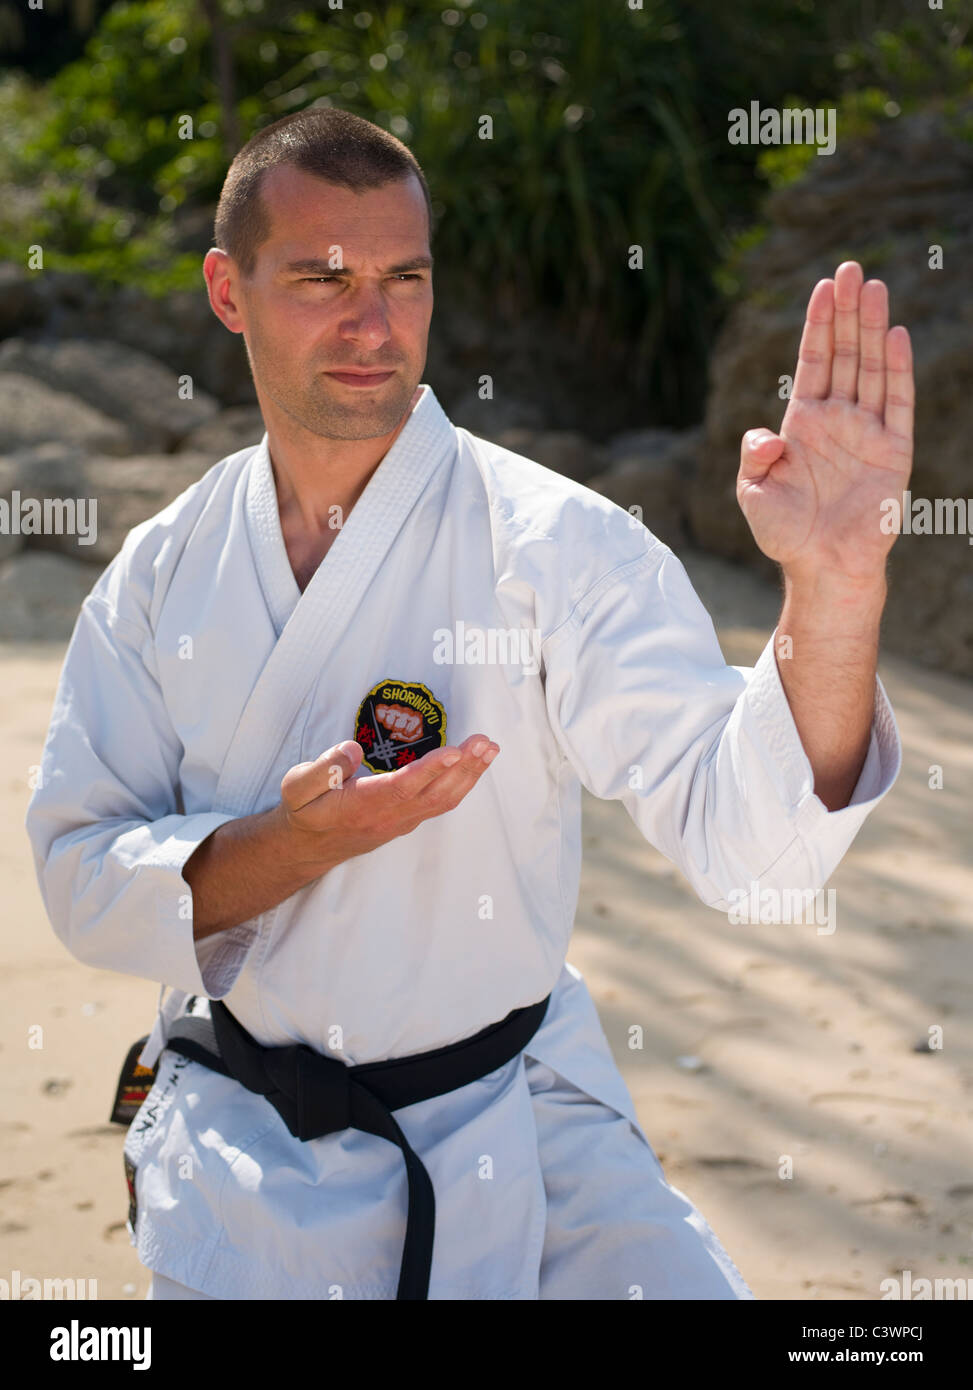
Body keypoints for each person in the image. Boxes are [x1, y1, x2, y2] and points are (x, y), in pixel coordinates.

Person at [25, 106, 910, 1301]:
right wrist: (286, 850)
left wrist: (836, 584)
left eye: (403, 277)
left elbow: (753, 847)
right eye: (321, 278)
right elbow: (82, 871)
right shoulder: (161, 573)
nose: (373, 323)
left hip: (518, 1132)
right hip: (249, 1160)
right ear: (227, 292)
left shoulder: (554, 545)